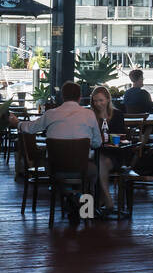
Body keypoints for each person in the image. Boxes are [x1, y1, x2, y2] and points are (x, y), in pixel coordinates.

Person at [7, 81, 107, 212]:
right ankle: (85, 211)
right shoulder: (89, 114)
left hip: (55, 168)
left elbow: (30, 128)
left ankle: (71, 195)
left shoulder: (50, 114)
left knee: (56, 176)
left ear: (62, 97)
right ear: (80, 97)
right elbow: (97, 143)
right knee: (93, 172)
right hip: (82, 168)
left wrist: (17, 123)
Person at [89, 86, 125, 210]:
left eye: (101, 100)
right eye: (95, 101)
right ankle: (101, 200)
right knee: (97, 163)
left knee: (100, 162)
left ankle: (103, 200)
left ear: (108, 99)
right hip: (96, 153)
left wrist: (106, 139)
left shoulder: (118, 115)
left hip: (114, 153)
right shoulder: (91, 115)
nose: (98, 104)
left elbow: (120, 138)